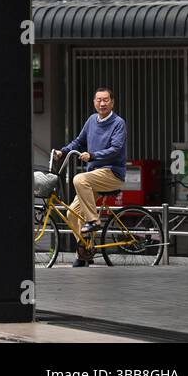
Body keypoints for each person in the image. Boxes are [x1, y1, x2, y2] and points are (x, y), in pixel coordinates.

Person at [53, 87, 127, 267]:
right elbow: (79, 141)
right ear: (94, 102)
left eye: (106, 100)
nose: (102, 103)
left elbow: (116, 149)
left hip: (112, 173)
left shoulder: (118, 123)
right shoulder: (92, 120)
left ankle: (94, 221)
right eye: (98, 100)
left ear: (112, 102)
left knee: (79, 179)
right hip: (94, 175)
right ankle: (85, 252)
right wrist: (63, 152)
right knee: (72, 213)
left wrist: (93, 156)